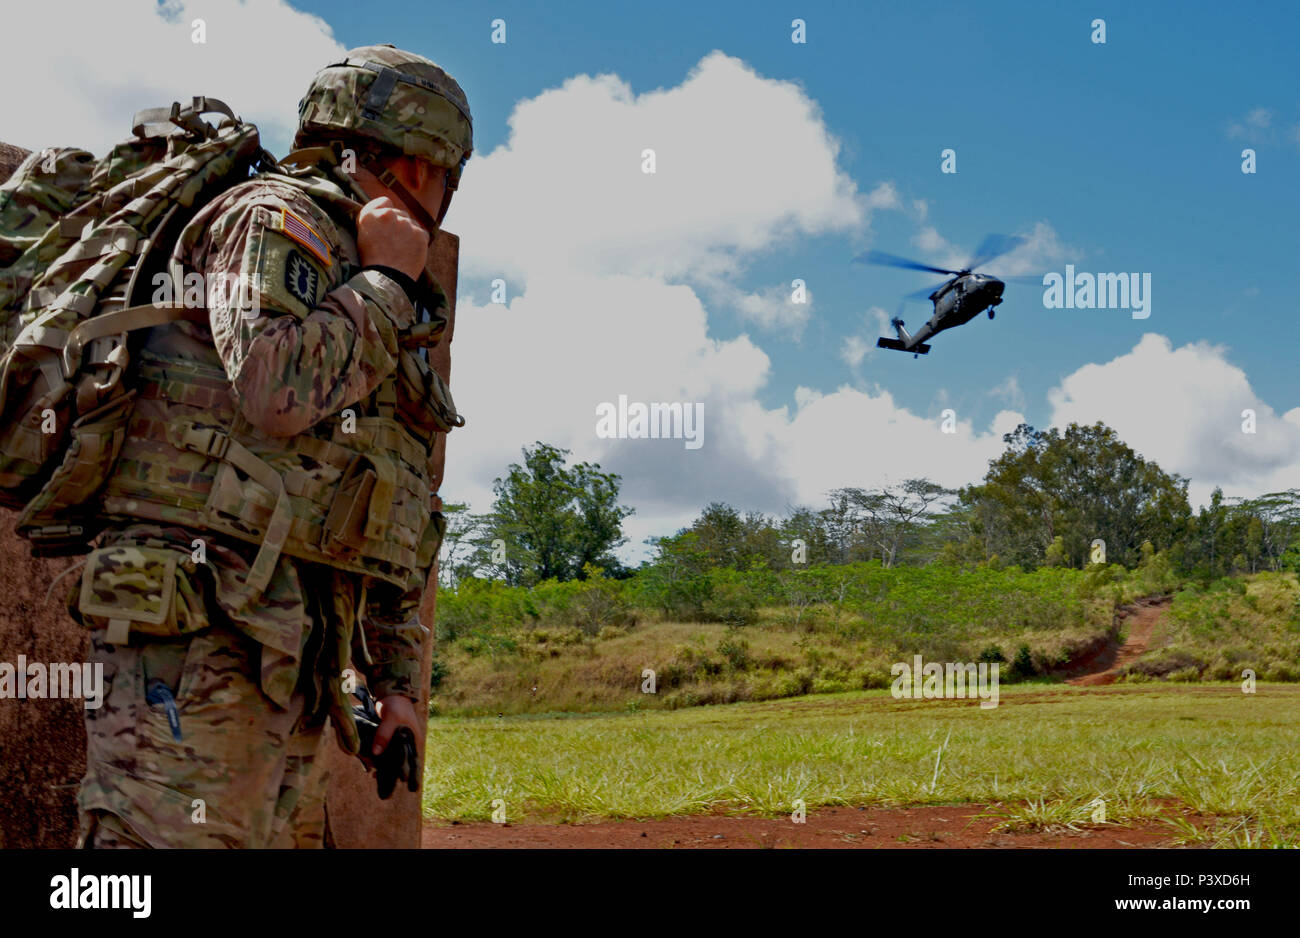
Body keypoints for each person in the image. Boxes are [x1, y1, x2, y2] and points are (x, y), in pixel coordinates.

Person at [70, 44, 471, 848]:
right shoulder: (276, 219)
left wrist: (396, 686)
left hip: (290, 648)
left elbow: (392, 502)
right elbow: (272, 386)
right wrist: (387, 284)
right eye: (443, 172)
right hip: (195, 630)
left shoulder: (379, 278)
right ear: (422, 163)